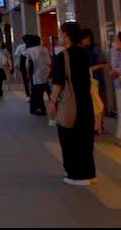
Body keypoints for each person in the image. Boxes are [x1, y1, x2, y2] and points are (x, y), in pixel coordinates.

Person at [50, 21, 96, 186]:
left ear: (67, 35)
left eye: (61, 33)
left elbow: (58, 82)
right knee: (86, 137)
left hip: (70, 103)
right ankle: (89, 173)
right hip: (85, 101)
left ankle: (76, 174)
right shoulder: (85, 52)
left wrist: (53, 102)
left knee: (69, 136)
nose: (59, 36)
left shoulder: (63, 56)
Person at [83, 28, 108, 134]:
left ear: (88, 38)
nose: (82, 41)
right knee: (93, 103)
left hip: (96, 79)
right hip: (88, 78)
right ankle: (95, 124)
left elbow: (104, 63)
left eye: (83, 39)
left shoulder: (95, 49)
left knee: (98, 102)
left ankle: (99, 125)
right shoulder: (83, 49)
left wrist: (92, 68)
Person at [26, 35, 52, 116]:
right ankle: (54, 106)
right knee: (49, 91)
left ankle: (42, 110)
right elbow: (49, 62)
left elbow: (28, 64)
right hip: (46, 72)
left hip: (37, 74)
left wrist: (28, 75)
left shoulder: (30, 51)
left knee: (39, 94)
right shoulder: (45, 49)